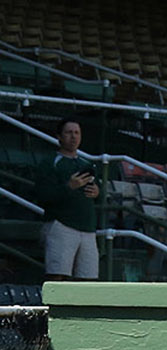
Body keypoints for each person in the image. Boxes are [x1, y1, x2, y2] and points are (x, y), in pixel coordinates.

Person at [39, 118, 100, 280]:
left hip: (88, 228)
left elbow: (99, 196)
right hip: (61, 225)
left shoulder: (87, 164)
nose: (73, 137)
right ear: (59, 136)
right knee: (58, 276)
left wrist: (97, 193)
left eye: (77, 133)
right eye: (69, 132)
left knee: (88, 278)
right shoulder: (49, 163)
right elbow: (42, 196)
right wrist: (69, 187)